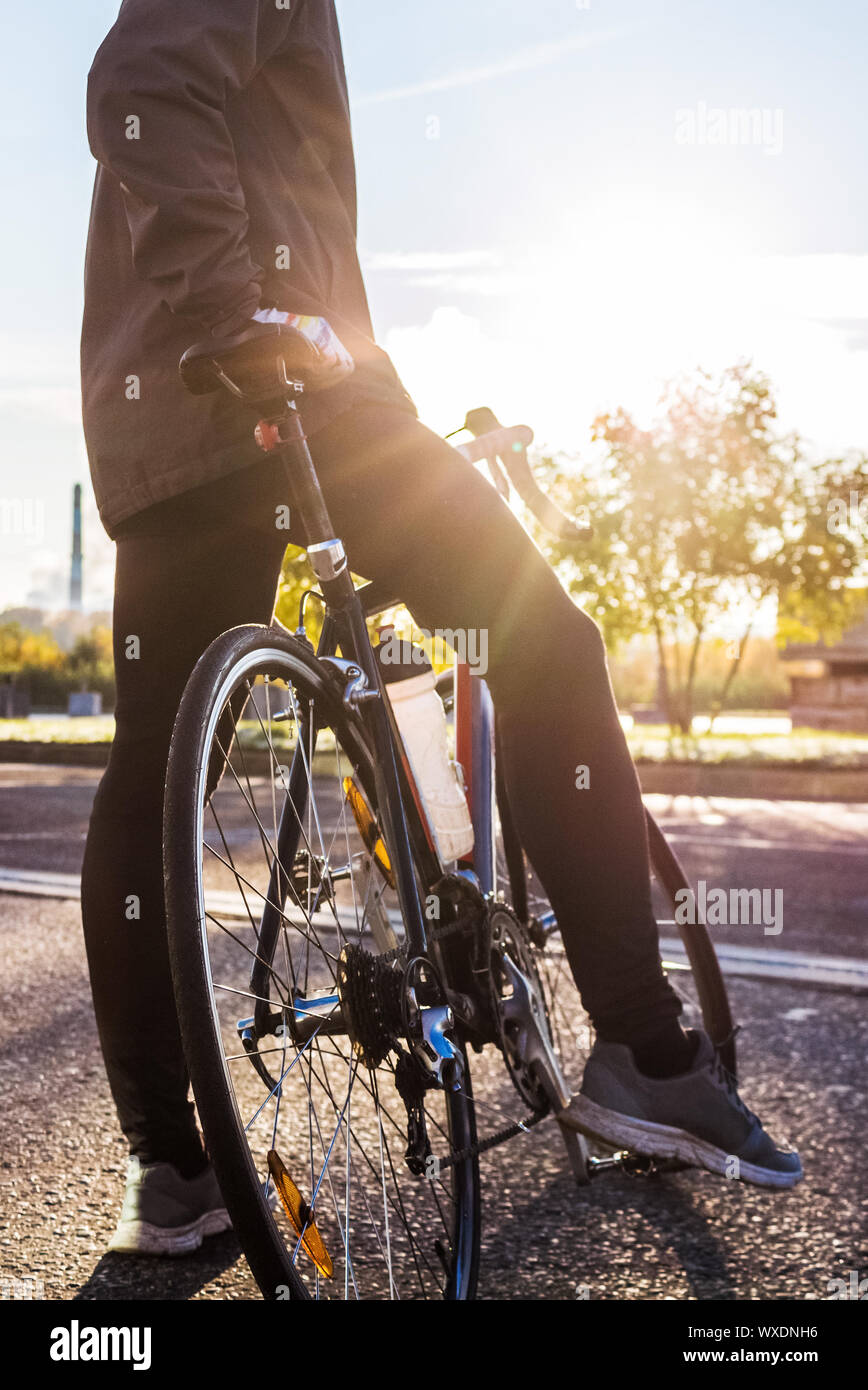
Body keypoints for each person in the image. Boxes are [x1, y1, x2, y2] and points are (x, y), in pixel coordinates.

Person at [81, 0, 800, 1258]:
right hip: (285, 387)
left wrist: (241, 320)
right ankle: (636, 1038)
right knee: (541, 645)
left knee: (152, 764)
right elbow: (135, 81)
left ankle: (171, 1167)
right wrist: (236, 310)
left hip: (161, 419)